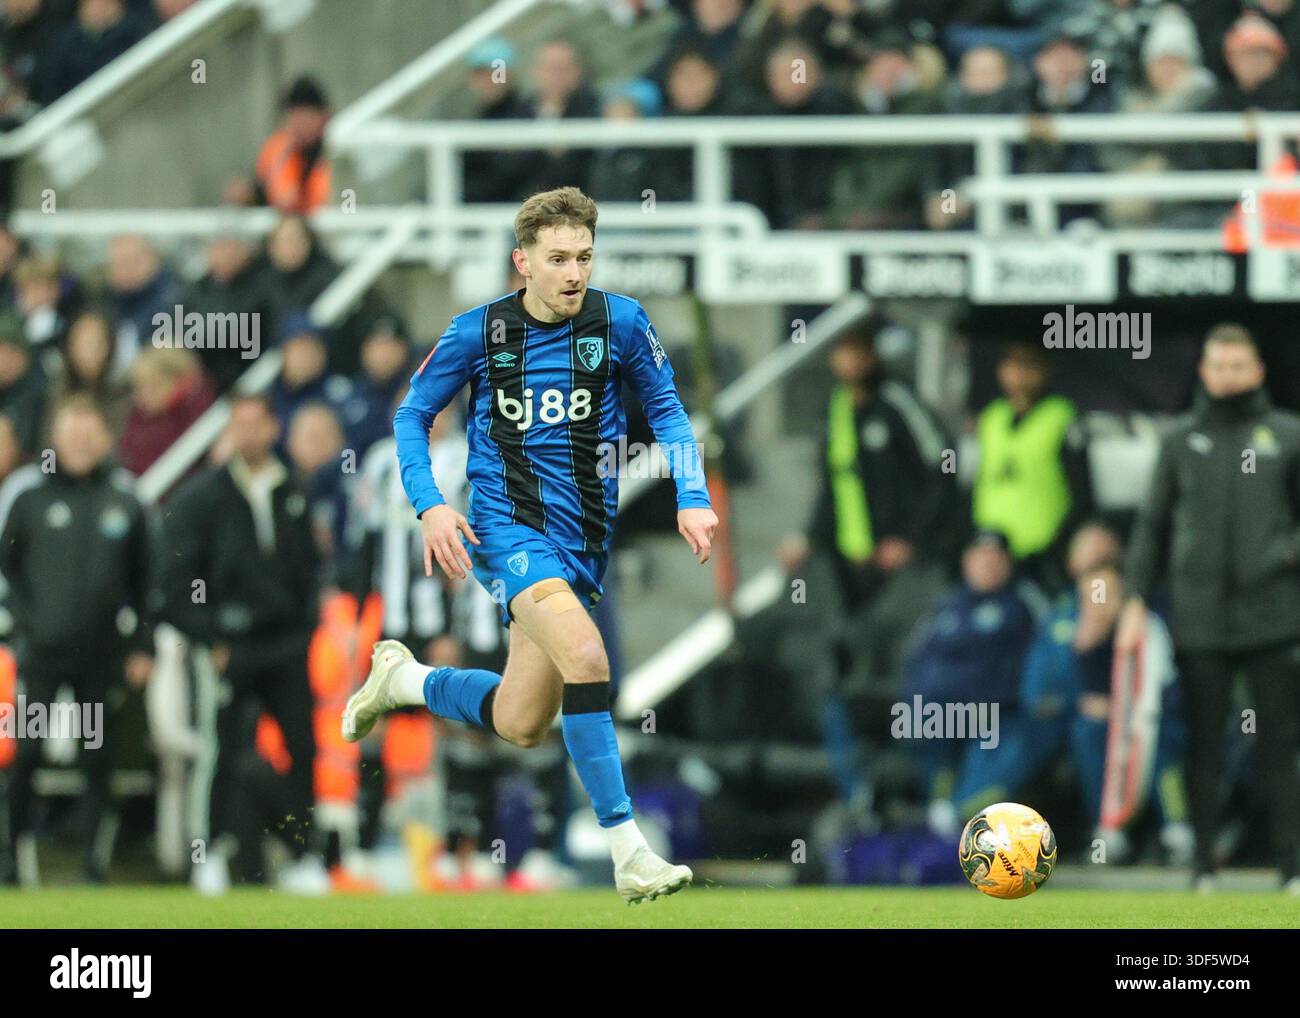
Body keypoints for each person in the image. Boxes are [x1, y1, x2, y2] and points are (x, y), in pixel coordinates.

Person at [343, 186, 717, 903]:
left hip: (582, 546)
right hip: (509, 533)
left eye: (583, 256)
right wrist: (430, 508)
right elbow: (411, 417)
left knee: (521, 722)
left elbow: (669, 410)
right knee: (587, 656)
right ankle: (627, 850)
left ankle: (406, 682)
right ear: (523, 262)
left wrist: (691, 496)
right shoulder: (476, 334)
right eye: (557, 259)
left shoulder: (621, 323)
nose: (574, 272)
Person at [1119, 325, 1300, 893]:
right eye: (1217, 365)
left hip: (1273, 615)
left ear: (1258, 370)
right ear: (1203, 371)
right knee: (1203, 744)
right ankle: (1202, 867)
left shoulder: (1287, 435)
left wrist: (1285, 552)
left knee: (1280, 746)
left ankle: (1291, 868)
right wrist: (1132, 600)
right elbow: (1152, 524)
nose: (1227, 375)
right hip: (1199, 617)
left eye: (1237, 365)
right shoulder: (1180, 440)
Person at [160, 392, 328, 895]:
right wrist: (210, 636)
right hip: (231, 645)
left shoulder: (292, 492)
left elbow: (309, 574)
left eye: (257, 423)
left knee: (303, 747)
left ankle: (304, 853)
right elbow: (175, 582)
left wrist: (306, 628)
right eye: (239, 424)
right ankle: (211, 851)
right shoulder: (204, 498)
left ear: (273, 427)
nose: (248, 434)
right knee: (225, 750)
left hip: (287, 644)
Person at [0, 397, 154, 884]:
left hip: (101, 654)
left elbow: (146, 582)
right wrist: (21, 625)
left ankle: (93, 864)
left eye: (91, 434)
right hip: (41, 654)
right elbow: (8, 570)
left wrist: (142, 645)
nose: (82, 443)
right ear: (56, 438)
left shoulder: (124, 497)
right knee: (26, 753)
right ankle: (9, 859)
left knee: (98, 758)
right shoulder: (28, 495)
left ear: (106, 439)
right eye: (73, 434)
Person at [971, 341, 1093, 596]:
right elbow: (980, 478)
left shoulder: (1062, 416)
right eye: (1014, 365)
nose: (1020, 374)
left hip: (1043, 554)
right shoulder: (991, 417)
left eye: (1029, 365)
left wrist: (1060, 545)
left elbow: (1083, 492)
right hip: (992, 551)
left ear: (1046, 370)